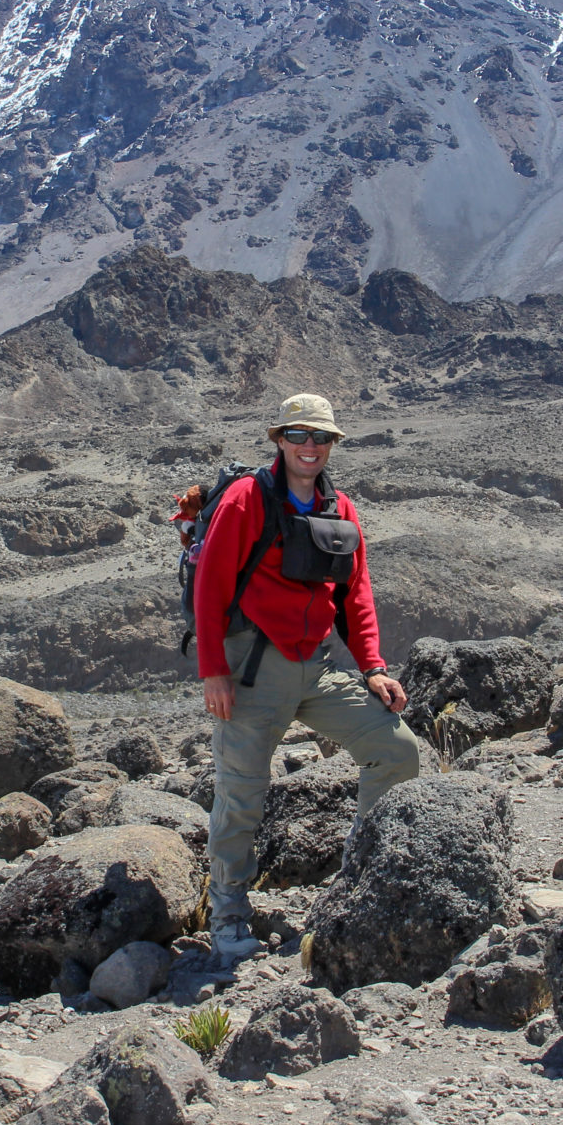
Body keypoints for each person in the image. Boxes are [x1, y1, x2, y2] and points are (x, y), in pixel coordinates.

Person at [192, 391, 421, 965]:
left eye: (320, 437)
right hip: (251, 669)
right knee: (242, 794)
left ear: (332, 445)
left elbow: (355, 594)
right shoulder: (248, 499)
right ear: (279, 441)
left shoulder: (340, 508)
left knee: (396, 749)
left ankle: (361, 875)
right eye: (298, 436)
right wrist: (213, 672)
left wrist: (372, 667)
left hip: (317, 667)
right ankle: (228, 915)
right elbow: (211, 588)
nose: (310, 446)